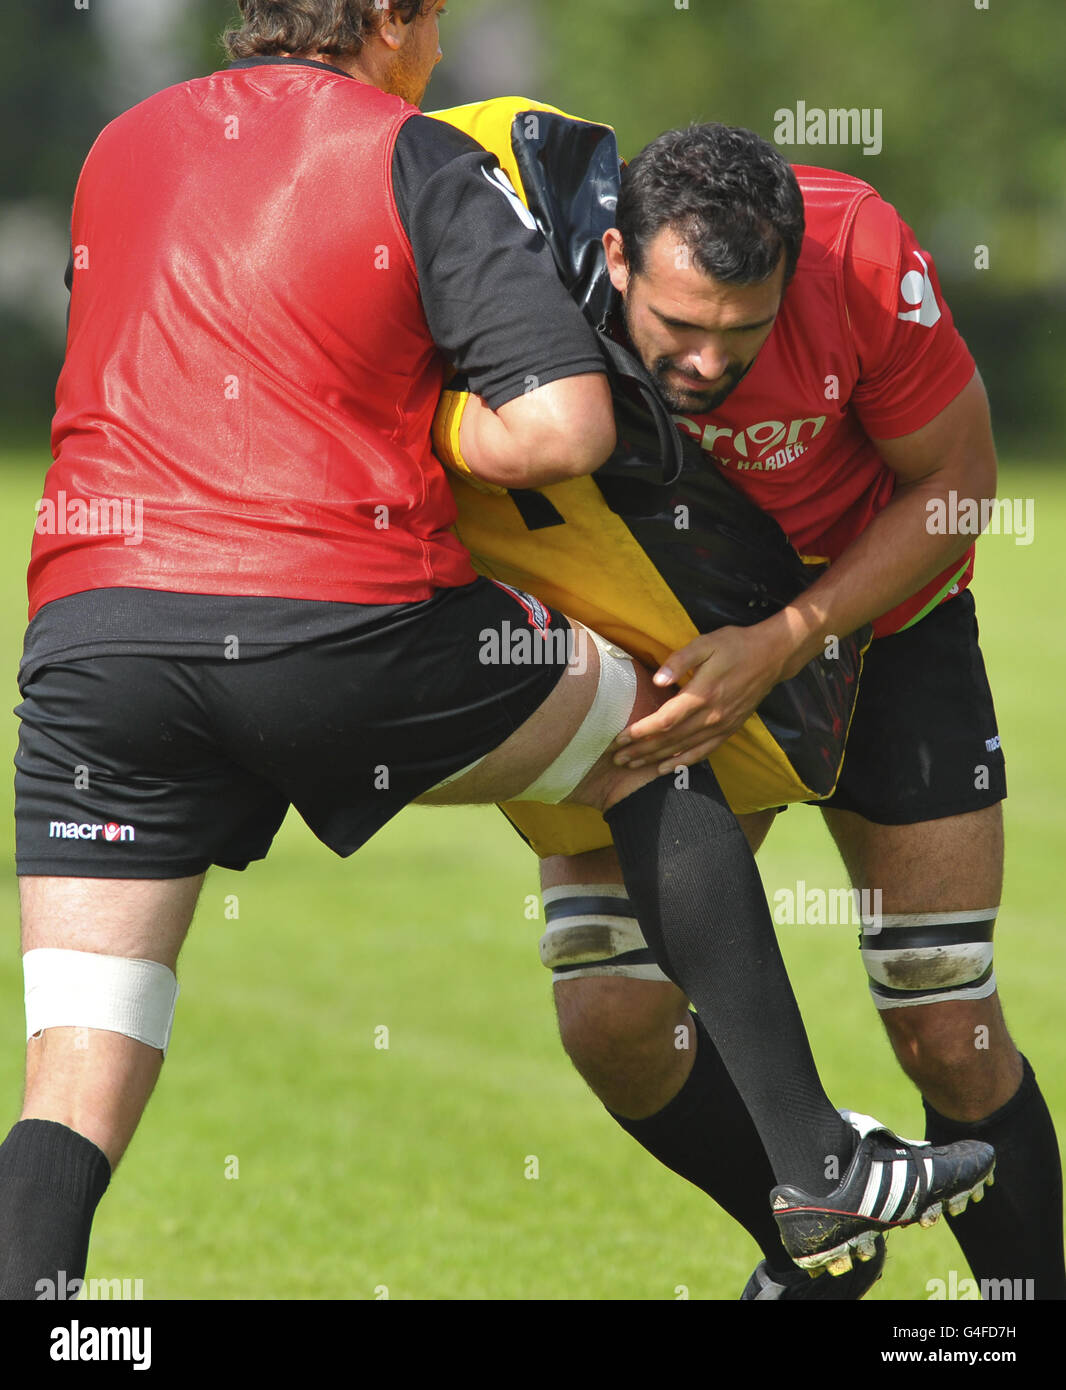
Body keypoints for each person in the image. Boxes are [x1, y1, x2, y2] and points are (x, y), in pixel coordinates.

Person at [1, 2, 992, 1302]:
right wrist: (420, 426)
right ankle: (813, 1158)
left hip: (93, 638)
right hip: (335, 610)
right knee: (642, 728)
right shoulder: (416, 151)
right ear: (391, 21)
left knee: (76, 1062)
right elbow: (563, 426)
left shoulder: (119, 142)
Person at [431, 104, 1063, 1300]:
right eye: (676, 327)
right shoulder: (530, 277)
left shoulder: (857, 252)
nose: (707, 364)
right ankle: (818, 1231)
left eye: (743, 331)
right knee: (611, 1014)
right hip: (669, 647)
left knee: (944, 1019)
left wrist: (786, 638)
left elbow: (960, 481)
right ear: (615, 258)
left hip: (881, 621)